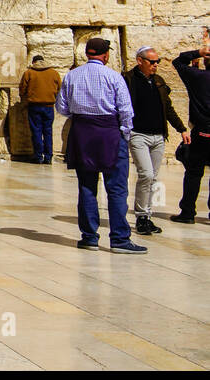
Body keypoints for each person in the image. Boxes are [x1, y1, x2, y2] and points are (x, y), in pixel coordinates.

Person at [56, 37, 146, 254]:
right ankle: (119, 239)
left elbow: (62, 107)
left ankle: (89, 237)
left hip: (82, 133)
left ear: (87, 53)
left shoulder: (72, 76)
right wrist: (124, 133)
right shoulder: (113, 77)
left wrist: (82, 118)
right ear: (106, 55)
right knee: (116, 188)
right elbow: (125, 110)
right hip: (109, 134)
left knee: (86, 186)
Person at [124, 46, 186, 235]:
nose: (156, 65)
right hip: (138, 134)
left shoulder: (158, 81)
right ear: (140, 61)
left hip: (158, 136)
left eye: (157, 61)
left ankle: (147, 217)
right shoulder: (128, 80)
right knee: (146, 175)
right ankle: (141, 216)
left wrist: (181, 128)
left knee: (154, 177)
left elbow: (167, 107)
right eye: (152, 62)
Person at [171, 44, 210, 224]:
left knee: (194, 173)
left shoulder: (197, 77)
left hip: (201, 134)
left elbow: (178, 62)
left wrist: (198, 53)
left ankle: (187, 213)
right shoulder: (198, 76)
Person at [19, 54, 62, 164]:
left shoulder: (29, 73)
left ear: (34, 62)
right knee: (48, 131)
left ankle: (38, 156)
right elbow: (59, 88)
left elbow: (22, 88)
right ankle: (48, 157)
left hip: (34, 106)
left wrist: (24, 98)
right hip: (49, 106)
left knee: (36, 131)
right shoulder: (54, 73)